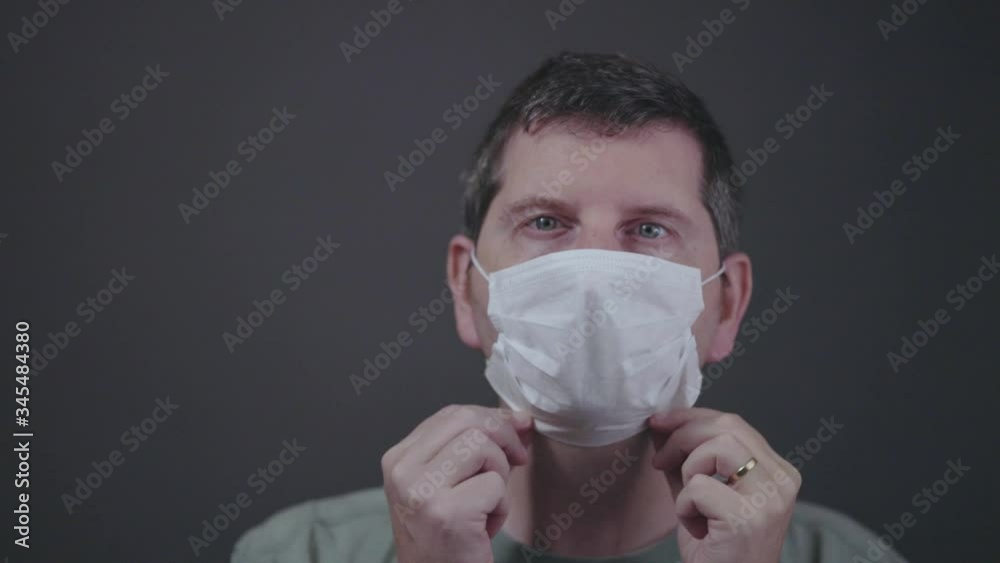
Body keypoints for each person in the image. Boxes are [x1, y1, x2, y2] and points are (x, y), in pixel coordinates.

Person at [231, 52, 907, 563]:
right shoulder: (299, 551)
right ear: (468, 287)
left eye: (648, 229)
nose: (592, 279)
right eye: (548, 223)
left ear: (725, 303)